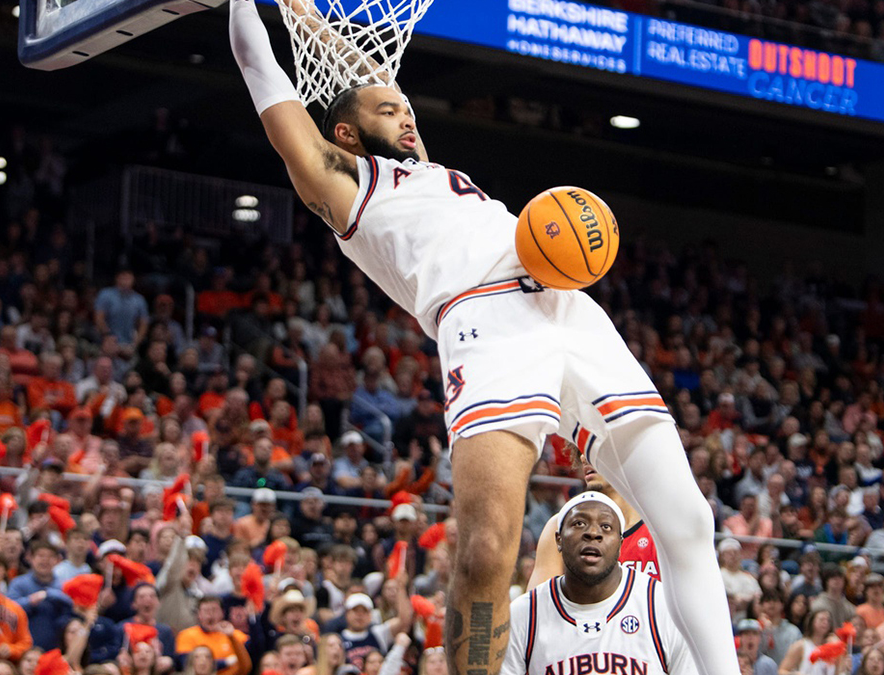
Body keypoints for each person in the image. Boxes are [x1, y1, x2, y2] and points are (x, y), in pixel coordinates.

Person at [227, 7, 736, 675]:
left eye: (406, 105)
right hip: (485, 325)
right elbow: (262, 72)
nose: (406, 114)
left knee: (689, 521)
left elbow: (364, 69)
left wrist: (303, 15)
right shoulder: (344, 183)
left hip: (567, 304)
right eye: (389, 110)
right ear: (347, 131)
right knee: (489, 549)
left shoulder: (426, 168)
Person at [502, 492, 695, 675]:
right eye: (579, 523)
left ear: (620, 545)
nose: (593, 533)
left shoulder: (663, 606)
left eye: (606, 527)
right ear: (558, 540)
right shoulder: (524, 613)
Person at [527, 446, 659, 589]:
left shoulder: (662, 529)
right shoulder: (560, 525)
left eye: (596, 446)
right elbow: (536, 606)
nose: (584, 457)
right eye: (582, 448)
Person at [175, 597, 252, 675]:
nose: (210, 616)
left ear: (223, 613)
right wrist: (226, 662)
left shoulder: (237, 636)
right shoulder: (186, 635)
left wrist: (231, 637)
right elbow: (186, 664)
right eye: (206, 611)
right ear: (198, 614)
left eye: (214, 610)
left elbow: (246, 666)